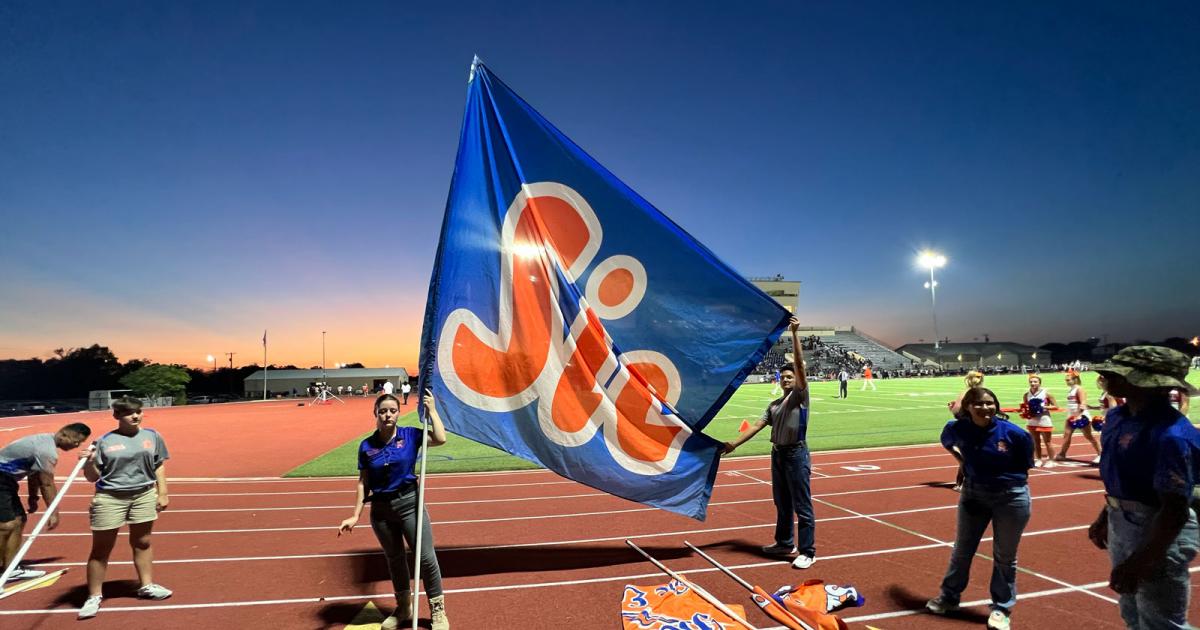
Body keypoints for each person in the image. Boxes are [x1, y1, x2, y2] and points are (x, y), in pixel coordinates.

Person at [1087, 346, 1200, 630]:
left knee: (1162, 622)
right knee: (1132, 613)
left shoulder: (1170, 435)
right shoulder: (1117, 417)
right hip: (1122, 521)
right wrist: (1107, 514)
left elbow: (1173, 511)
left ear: (1146, 383)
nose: (1105, 376)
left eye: (1118, 373)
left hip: (1156, 527)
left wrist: (1140, 561)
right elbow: (1126, 476)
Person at [338, 391, 450, 630]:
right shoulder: (366, 446)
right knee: (395, 560)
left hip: (410, 503)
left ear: (399, 413)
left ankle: (438, 611)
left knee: (426, 558)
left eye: (392, 410)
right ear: (375, 414)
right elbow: (363, 482)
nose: (388, 415)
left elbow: (440, 438)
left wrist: (432, 411)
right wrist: (355, 514)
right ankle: (404, 607)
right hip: (381, 510)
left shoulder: (410, 435)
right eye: (383, 411)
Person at [927, 386, 1033, 630]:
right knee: (962, 549)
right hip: (973, 495)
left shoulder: (1015, 434)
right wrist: (963, 462)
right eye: (979, 404)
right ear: (968, 408)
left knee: (1005, 556)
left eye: (990, 403)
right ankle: (949, 597)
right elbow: (947, 441)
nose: (985, 408)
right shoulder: (957, 429)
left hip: (1011, 498)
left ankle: (1001, 608)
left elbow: (1025, 466)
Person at [724, 318, 816, 569]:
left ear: (797, 379)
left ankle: (808, 551)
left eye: (791, 377)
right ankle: (785, 543)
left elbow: (798, 364)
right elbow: (756, 425)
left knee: (802, 504)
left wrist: (795, 334)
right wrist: (733, 444)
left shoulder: (800, 397)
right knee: (782, 502)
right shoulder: (774, 405)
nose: (787, 380)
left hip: (796, 454)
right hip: (778, 454)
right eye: (784, 377)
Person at [78, 397, 172, 619]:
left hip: (144, 495)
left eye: (138, 411)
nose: (135, 416)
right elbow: (92, 478)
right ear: (117, 416)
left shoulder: (152, 436)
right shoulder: (104, 442)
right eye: (129, 413)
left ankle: (146, 585)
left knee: (143, 542)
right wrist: (90, 462)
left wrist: (163, 492)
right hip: (110, 498)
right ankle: (94, 596)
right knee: (101, 549)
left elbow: (158, 465)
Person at [0, 423, 91, 582]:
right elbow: (47, 483)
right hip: (2, 479)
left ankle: (10, 568)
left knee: (19, 521)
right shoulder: (46, 451)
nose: (77, 445)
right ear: (63, 435)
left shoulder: (44, 441)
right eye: (75, 440)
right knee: (6, 525)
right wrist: (53, 512)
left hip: (6, 481)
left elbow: (34, 474)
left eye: (80, 443)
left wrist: (33, 497)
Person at [947, 370, 986, 491]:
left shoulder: (964, 392)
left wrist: (952, 408)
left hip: (964, 427)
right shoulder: (981, 393)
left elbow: (955, 412)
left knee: (966, 456)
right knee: (973, 456)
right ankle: (967, 483)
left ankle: (961, 484)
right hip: (977, 427)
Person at [1057, 371, 1102, 464]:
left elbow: (1083, 403)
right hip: (1071, 416)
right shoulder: (1071, 389)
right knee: (1066, 435)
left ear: (1075, 379)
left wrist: (1079, 416)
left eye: (1068, 380)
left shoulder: (1079, 389)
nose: (1067, 382)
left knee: (1088, 436)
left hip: (1081, 416)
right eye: (1066, 380)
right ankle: (1062, 454)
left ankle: (1100, 454)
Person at [1022, 375, 1058, 468]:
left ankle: (1051, 460)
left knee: (1048, 441)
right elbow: (1026, 407)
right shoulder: (1026, 395)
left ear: (1039, 383)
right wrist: (1026, 412)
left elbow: (1055, 406)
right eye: (1031, 382)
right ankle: (1038, 459)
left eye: (1035, 382)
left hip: (1044, 419)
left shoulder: (1046, 393)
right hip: (1032, 420)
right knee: (1035, 441)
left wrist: (1042, 407)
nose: (1033, 383)